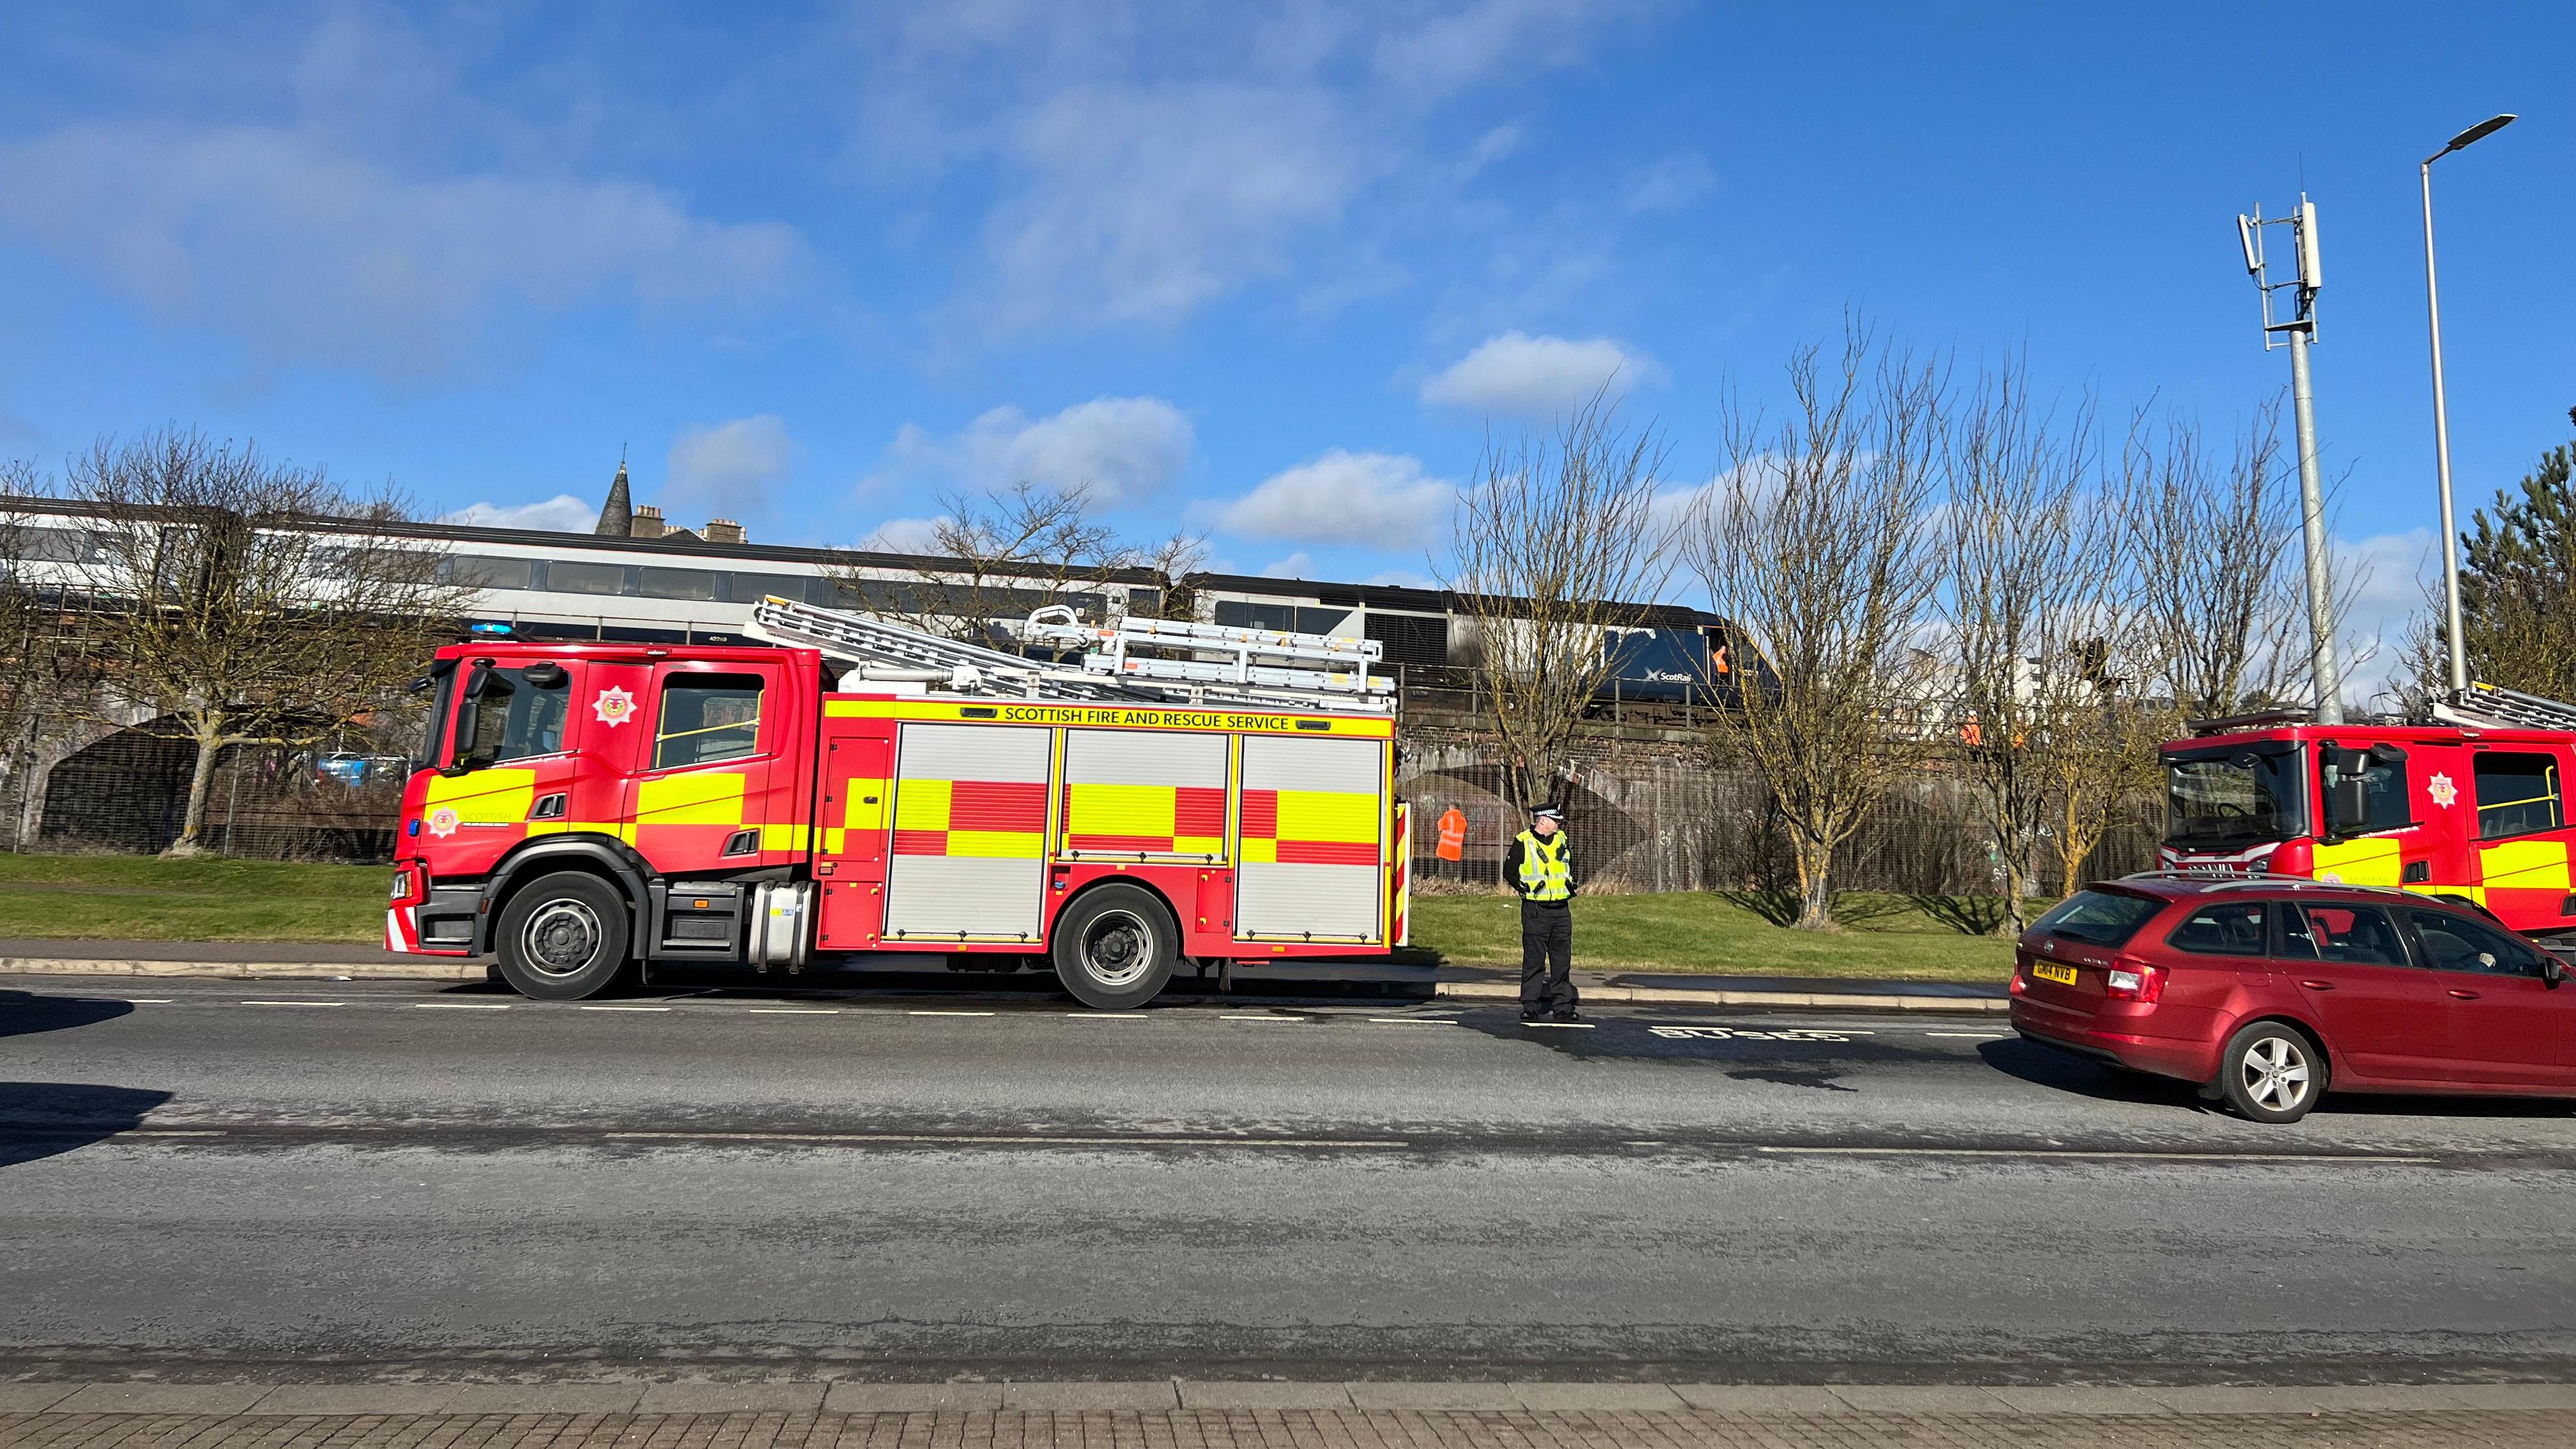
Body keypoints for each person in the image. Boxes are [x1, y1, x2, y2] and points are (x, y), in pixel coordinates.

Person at [1503, 802, 1578, 1022]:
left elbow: (1570, 865)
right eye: (1556, 820)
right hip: (1536, 910)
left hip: (1561, 910)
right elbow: (1509, 871)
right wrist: (1522, 888)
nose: (1559, 824)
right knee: (1534, 961)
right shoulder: (1523, 842)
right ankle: (1530, 1006)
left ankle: (1563, 1007)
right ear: (1543, 820)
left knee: (1562, 961)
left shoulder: (1562, 840)